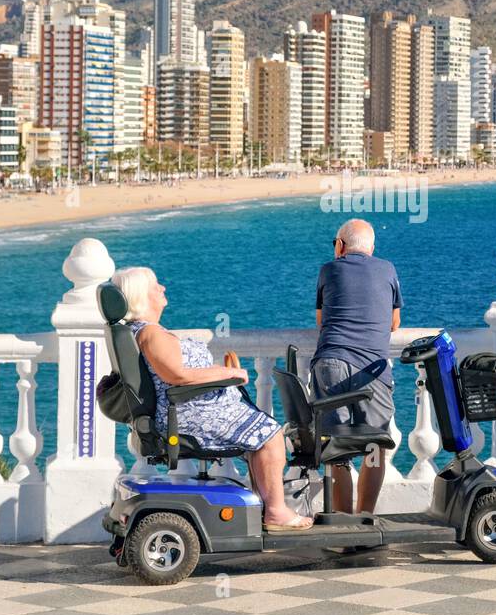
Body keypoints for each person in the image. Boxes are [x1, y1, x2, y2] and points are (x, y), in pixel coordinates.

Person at [111, 266, 312, 531]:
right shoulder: (151, 333)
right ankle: (276, 512)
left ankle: (265, 508)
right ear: (141, 296)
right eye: (156, 285)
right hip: (189, 414)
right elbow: (177, 376)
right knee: (270, 435)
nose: (163, 288)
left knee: (259, 434)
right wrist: (228, 373)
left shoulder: (144, 331)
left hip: (189, 409)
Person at [311, 218, 402, 514]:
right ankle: (365, 518)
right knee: (374, 448)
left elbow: (322, 322)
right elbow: (394, 322)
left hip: (331, 364)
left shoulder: (329, 269)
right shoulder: (387, 269)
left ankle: (343, 524)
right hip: (372, 370)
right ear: (371, 249)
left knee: (337, 448)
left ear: (340, 246)